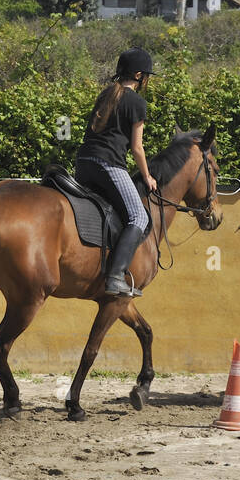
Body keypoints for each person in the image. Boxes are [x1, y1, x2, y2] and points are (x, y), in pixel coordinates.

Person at [73, 47, 156, 298]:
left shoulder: (106, 94)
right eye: (147, 76)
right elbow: (137, 148)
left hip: (83, 164)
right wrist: (148, 176)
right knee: (139, 218)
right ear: (139, 75)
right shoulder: (137, 102)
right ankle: (115, 277)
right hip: (107, 164)